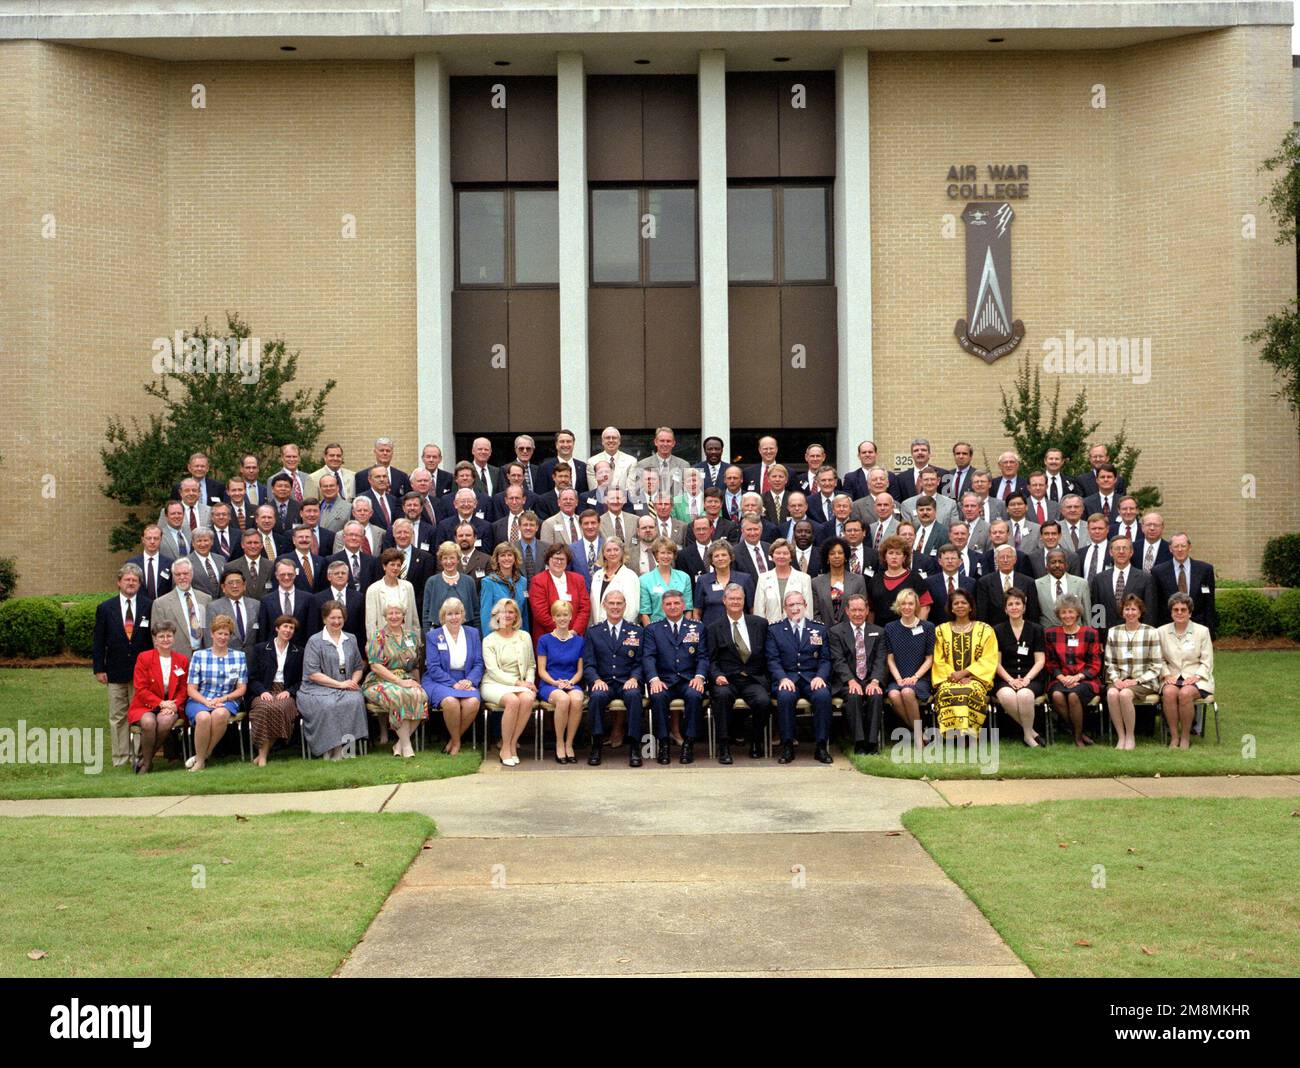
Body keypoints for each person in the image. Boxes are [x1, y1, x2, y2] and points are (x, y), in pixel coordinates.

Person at [765, 590, 833, 765]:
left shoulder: (819, 629)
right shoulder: (775, 630)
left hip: (812, 678)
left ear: (805, 606)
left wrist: (820, 677)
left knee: (823, 696)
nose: (795, 608)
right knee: (785, 697)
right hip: (787, 678)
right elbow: (772, 660)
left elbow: (825, 659)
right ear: (784, 609)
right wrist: (782, 678)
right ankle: (787, 746)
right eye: (791, 605)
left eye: (798, 604)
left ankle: (821, 746)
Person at [298, 599, 368, 759]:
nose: (336, 621)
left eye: (339, 618)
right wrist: (340, 684)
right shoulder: (315, 641)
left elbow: (359, 666)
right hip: (316, 688)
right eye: (332, 618)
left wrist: (353, 682)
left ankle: (348, 749)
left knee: (354, 701)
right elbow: (312, 673)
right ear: (324, 619)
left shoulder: (351, 639)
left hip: (346, 684)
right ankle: (331, 749)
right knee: (328, 705)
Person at [643, 590, 708, 764]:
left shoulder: (698, 627)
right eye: (668, 604)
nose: (673, 607)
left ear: (684, 605)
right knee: (657, 697)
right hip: (664, 680)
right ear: (663, 607)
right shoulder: (652, 629)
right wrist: (654, 679)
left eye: (676, 603)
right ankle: (663, 744)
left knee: (695, 695)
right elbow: (649, 657)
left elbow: (703, 656)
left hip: (689, 679)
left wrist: (700, 677)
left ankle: (688, 744)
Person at [583, 590, 645, 765]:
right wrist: (595, 680)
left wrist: (634, 678)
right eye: (612, 603)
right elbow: (589, 664)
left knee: (634, 696)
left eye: (619, 603)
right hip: (604, 682)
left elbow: (640, 662)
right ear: (604, 605)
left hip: (627, 681)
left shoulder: (636, 631)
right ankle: (596, 745)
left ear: (625, 606)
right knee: (596, 697)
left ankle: (634, 747)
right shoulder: (593, 632)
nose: (615, 607)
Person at [364, 601, 429, 757]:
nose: (394, 616)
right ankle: (407, 746)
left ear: (403, 615)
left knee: (421, 696)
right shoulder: (378, 637)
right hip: (379, 680)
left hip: (406, 679)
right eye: (390, 614)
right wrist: (399, 682)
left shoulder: (412, 637)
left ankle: (399, 744)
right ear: (385, 617)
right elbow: (375, 666)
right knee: (398, 695)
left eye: (397, 613)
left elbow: (414, 666)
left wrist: (417, 684)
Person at [930, 589, 998, 736]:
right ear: (951, 608)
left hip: (975, 679)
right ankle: (951, 735)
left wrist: (968, 675)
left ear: (971, 606)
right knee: (946, 692)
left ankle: (970, 735)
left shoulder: (986, 630)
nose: (960, 606)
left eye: (964, 603)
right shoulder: (940, 631)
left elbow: (989, 659)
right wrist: (955, 676)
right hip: (948, 679)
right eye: (956, 603)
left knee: (969, 691)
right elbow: (938, 660)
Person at [184, 614, 247, 771]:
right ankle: (201, 759)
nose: (223, 637)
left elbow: (241, 689)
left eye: (226, 634)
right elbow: (191, 689)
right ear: (212, 634)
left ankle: (203, 757)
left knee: (219, 714)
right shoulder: (199, 656)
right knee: (204, 717)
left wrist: (224, 698)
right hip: (200, 700)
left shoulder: (239, 657)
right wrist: (206, 702)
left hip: (227, 700)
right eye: (219, 633)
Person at [422, 597, 484, 756]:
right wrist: (453, 684)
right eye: (449, 614)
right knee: (451, 702)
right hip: (439, 679)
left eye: (457, 613)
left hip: (466, 678)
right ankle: (456, 742)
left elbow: (478, 663)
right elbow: (433, 667)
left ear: (463, 615)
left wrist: (469, 680)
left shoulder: (473, 633)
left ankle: (453, 740)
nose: (454, 617)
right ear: (443, 617)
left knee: (472, 703)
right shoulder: (434, 636)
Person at [481, 598, 538, 767]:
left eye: (511, 612)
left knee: (528, 698)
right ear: (496, 615)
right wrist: (519, 683)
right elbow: (493, 671)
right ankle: (505, 748)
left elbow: (531, 665)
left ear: (516, 616)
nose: (507, 615)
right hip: (494, 684)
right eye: (503, 611)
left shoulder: (524, 636)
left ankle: (513, 742)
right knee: (512, 701)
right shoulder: (489, 640)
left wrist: (529, 682)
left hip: (520, 684)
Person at [828, 593, 887, 754]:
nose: (857, 614)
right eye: (853, 610)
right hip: (847, 682)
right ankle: (859, 742)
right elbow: (838, 660)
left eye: (861, 610)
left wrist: (875, 681)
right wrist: (850, 681)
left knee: (876, 696)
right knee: (854, 696)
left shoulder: (879, 632)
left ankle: (872, 743)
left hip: (870, 679)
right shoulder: (836, 632)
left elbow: (880, 659)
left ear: (867, 611)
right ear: (847, 611)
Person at [1103, 592, 1163, 750]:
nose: (1130, 613)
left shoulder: (1151, 632)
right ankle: (1120, 736)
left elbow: (1156, 665)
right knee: (1112, 693)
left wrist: (1136, 681)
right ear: (1122, 612)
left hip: (1144, 681)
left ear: (1140, 612)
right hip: (1119, 679)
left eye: (1134, 609)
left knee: (1124, 694)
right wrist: (1116, 680)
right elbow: (1109, 661)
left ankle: (1130, 736)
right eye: (1127, 609)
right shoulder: (1113, 632)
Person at [126, 620, 187, 774]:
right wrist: (161, 703)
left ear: (174, 638)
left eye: (169, 636)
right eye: (161, 636)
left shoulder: (182, 660)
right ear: (155, 639)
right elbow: (140, 688)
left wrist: (174, 704)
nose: (165, 639)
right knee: (148, 723)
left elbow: (184, 688)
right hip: (145, 704)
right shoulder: (144, 658)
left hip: (171, 705)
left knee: (165, 722)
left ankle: (145, 760)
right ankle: (147, 764)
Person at [1157, 592, 1215, 750]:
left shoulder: (1202, 631)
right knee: (1169, 693)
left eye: (1183, 609)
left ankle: (1185, 737)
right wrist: (1166, 674)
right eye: (1175, 609)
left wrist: (1196, 676)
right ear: (1171, 612)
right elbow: (1158, 659)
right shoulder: (1161, 632)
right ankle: (1174, 736)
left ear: (1190, 612)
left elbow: (1207, 661)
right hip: (1172, 676)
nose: (1179, 613)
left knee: (1185, 694)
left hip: (1196, 677)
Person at [1045, 594, 1103, 747]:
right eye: (1063, 612)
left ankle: (1077, 738)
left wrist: (1078, 677)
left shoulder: (1090, 633)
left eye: (1071, 611)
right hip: (1060, 679)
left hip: (1086, 679)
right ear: (1058, 614)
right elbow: (1050, 662)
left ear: (1078, 612)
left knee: (1073, 695)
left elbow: (1095, 663)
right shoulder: (1051, 634)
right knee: (1057, 695)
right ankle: (1079, 732)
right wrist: (1061, 677)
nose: (1067, 615)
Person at [246, 615, 304, 766]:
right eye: (285, 626)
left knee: (280, 707)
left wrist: (290, 691)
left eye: (291, 628)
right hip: (263, 691)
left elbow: (302, 680)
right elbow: (252, 678)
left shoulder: (299, 651)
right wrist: (262, 691)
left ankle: (262, 755)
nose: (288, 630)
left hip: (285, 692)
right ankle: (263, 755)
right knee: (264, 708)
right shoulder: (260, 649)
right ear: (277, 628)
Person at [992, 588, 1046, 747]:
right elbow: (996, 663)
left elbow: (1040, 661)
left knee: (1024, 696)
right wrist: (1010, 680)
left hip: (1031, 677)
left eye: (1018, 603)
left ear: (1024, 607)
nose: (1014, 607)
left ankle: (1027, 735)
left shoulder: (1036, 629)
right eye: (1010, 604)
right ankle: (1031, 733)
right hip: (1005, 678)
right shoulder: (997, 630)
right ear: (1005, 609)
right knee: (1008, 696)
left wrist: (1027, 679)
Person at [537, 599, 585, 763]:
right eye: (559, 615)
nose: (562, 618)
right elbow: (541, 670)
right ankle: (559, 743)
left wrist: (571, 682)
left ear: (571, 616)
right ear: (553, 618)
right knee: (563, 699)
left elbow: (580, 671)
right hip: (550, 684)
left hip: (571, 682)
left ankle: (569, 743)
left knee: (577, 699)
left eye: (565, 615)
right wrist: (556, 683)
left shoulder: (579, 641)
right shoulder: (544, 640)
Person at [884, 589, 935, 740]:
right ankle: (920, 733)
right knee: (894, 694)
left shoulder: (928, 627)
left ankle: (918, 737)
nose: (907, 607)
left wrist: (915, 677)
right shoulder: (890, 628)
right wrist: (899, 679)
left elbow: (930, 659)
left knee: (907, 692)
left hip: (920, 678)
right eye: (903, 604)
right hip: (898, 677)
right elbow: (890, 658)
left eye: (910, 604)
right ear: (898, 606)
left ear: (916, 606)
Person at [530, 542, 591, 641]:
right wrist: (561, 632)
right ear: (548, 560)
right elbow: (540, 613)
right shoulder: (538, 581)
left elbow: (585, 608)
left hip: (574, 637)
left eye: (562, 559)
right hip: (549, 637)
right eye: (555, 558)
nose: (559, 562)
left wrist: (574, 631)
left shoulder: (578, 579)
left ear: (567, 561)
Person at [867, 536, 931, 626]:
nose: (894, 557)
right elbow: (870, 610)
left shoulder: (915, 578)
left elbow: (925, 606)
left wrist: (916, 628)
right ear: (884, 556)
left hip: (908, 632)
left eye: (898, 553)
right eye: (890, 553)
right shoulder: (875, 580)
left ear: (904, 557)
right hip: (880, 632)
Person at [692, 540, 754, 628]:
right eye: (716, 556)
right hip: (711, 631)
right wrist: (698, 631)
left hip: (739, 629)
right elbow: (697, 611)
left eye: (724, 555)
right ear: (711, 560)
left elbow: (752, 609)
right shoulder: (702, 580)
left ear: (730, 557)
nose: (720, 558)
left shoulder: (745, 579)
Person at [752, 538, 814, 624]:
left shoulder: (804, 578)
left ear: (791, 557)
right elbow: (759, 610)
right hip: (770, 630)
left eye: (785, 553)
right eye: (778, 553)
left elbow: (808, 610)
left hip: (796, 629)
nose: (781, 556)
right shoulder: (763, 578)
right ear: (772, 556)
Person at [364, 547, 420, 641]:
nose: (395, 568)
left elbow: (414, 619)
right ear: (384, 566)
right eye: (392, 564)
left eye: (398, 565)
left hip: (406, 641)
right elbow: (371, 624)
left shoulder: (408, 587)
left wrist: (417, 642)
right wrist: (377, 648)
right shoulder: (373, 589)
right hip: (383, 643)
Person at [811, 536, 867, 628]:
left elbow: (862, 609)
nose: (836, 556)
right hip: (825, 633)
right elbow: (815, 612)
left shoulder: (858, 580)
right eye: (832, 553)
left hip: (850, 633)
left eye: (840, 553)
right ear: (827, 558)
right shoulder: (816, 583)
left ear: (845, 557)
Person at [423, 541, 480, 631]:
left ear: (458, 559)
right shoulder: (432, 582)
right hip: (439, 632)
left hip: (465, 631)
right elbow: (426, 613)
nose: (448, 562)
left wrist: (477, 635)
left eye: (452, 558)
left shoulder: (469, 581)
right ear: (440, 560)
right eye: (445, 558)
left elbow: (476, 612)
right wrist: (428, 636)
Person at [638, 536, 693, 625]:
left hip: (680, 627)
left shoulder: (684, 577)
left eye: (669, 553)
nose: (666, 556)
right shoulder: (644, 580)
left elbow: (688, 609)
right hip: (655, 628)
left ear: (674, 555)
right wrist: (651, 634)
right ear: (656, 555)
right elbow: (645, 612)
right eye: (662, 553)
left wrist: (684, 630)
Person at [480, 541, 530, 636]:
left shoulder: (522, 581)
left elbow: (524, 613)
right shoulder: (488, 582)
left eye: (510, 555)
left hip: (518, 634)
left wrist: (525, 635)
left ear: (515, 558)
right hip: (498, 635)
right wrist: (488, 639)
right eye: (502, 555)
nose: (506, 558)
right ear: (497, 559)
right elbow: (486, 614)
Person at [590, 539, 641, 626]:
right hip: (599, 628)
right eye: (608, 550)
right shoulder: (597, 575)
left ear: (622, 552)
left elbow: (632, 609)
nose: (612, 553)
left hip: (621, 630)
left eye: (616, 550)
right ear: (604, 554)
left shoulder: (630, 576)